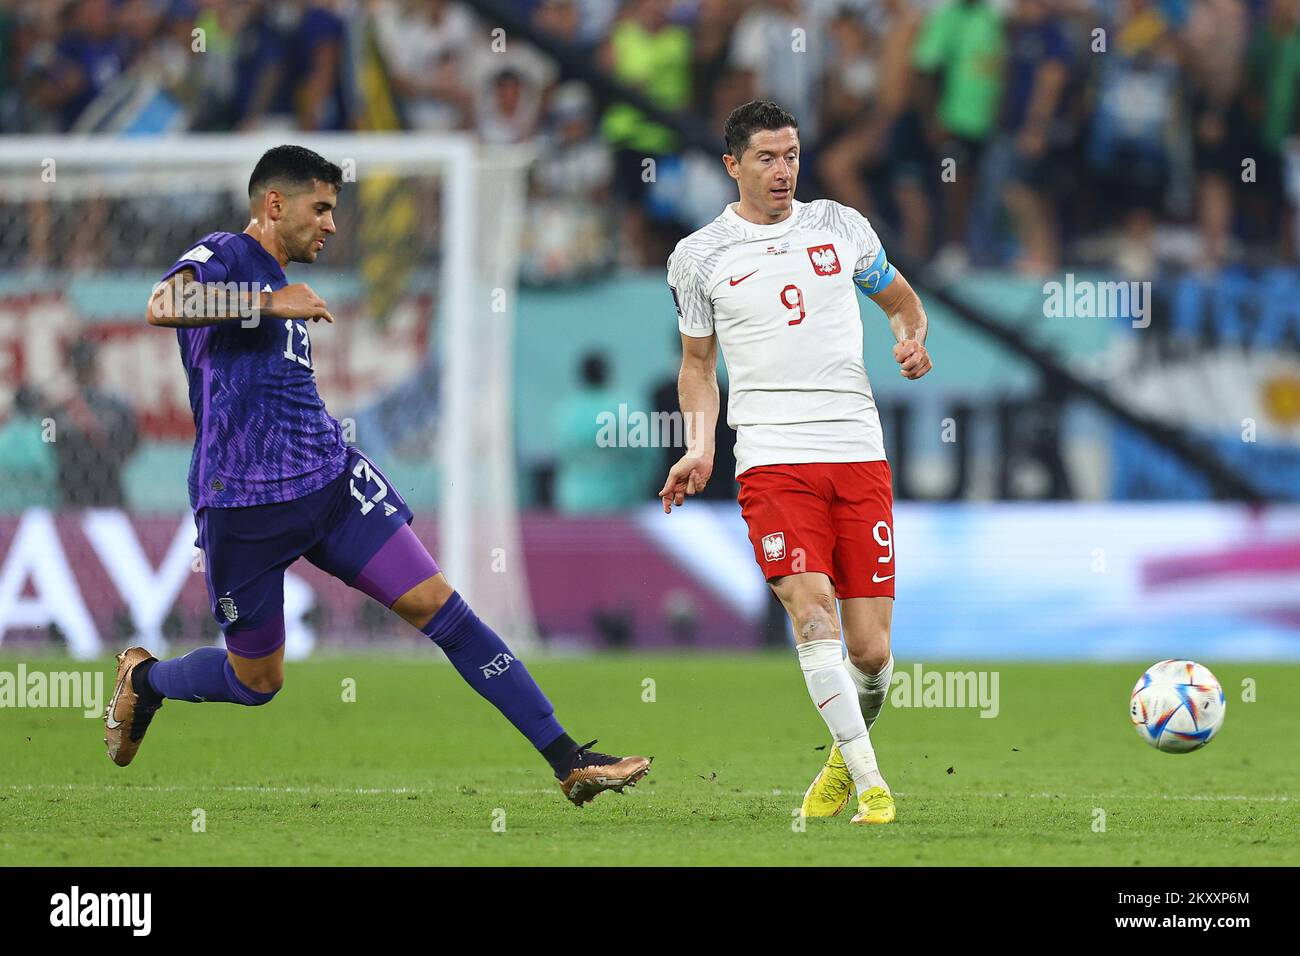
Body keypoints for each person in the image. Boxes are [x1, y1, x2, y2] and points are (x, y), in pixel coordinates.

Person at [106, 145, 648, 807]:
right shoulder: (229, 253)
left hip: (333, 485)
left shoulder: (283, 280)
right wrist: (269, 303)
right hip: (244, 503)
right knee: (257, 681)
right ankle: (148, 681)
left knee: (441, 608)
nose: (332, 224)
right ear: (274, 205)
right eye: (321, 207)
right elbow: (163, 303)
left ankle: (569, 759)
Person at [659, 101, 933, 826]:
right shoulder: (699, 255)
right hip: (773, 462)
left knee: (871, 654)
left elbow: (903, 303)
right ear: (733, 166)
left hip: (857, 454)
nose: (783, 172)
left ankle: (843, 759)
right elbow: (696, 364)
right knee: (812, 615)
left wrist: (910, 336)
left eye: (791, 156)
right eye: (767, 159)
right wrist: (700, 444)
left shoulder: (842, 228)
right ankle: (874, 785)